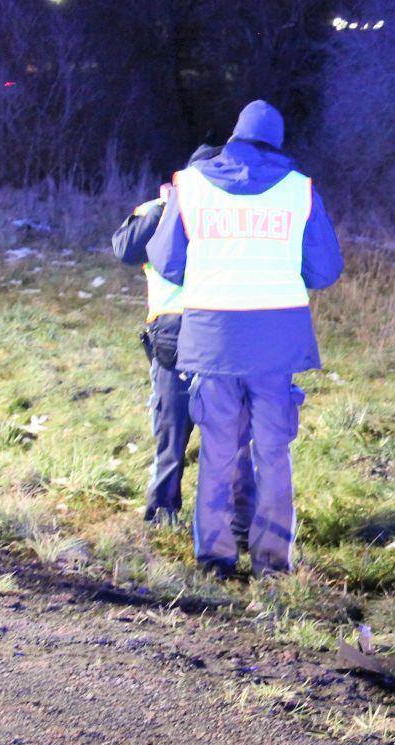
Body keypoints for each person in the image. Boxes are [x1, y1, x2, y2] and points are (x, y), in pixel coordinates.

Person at [146, 99, 343, 579]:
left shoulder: (190, 184)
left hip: (213, 339)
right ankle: (272, 563)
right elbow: (324, 271)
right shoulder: (298, 189)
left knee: (217, 451)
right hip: (275, 345)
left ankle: (215, 559)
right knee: (273, 453)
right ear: (277, 143)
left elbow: (167, 262)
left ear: (234, 136)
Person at [108, 145, 252, 539]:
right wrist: (168, 207)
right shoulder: (165, 209)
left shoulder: (232, 214)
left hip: (214, 333)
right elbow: (125, 248)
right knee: (184, 431)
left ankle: (221, 521)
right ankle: (171, 515)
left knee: (220, 435)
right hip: (183, 334)